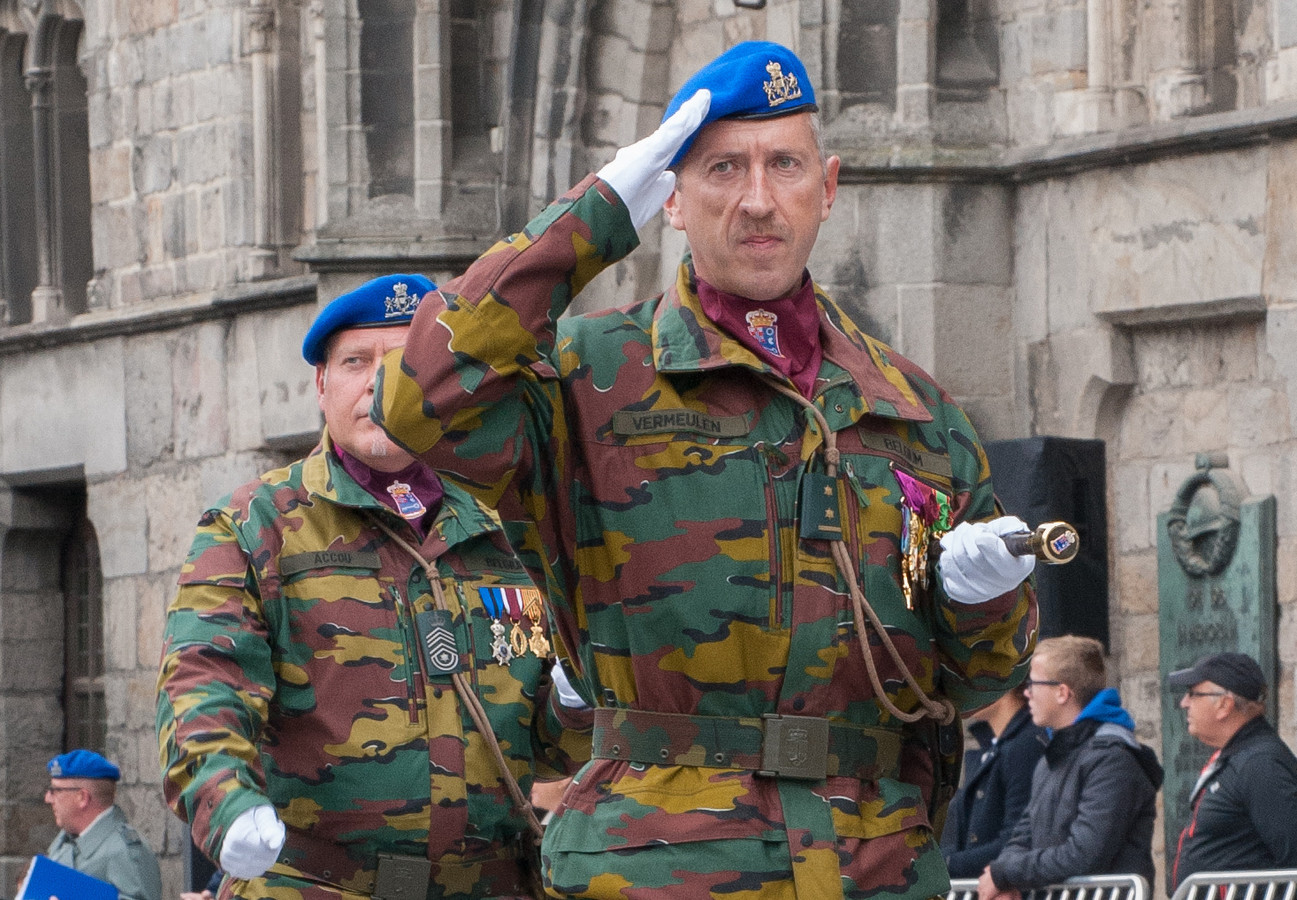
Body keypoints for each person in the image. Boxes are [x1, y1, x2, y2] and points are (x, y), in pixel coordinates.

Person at [373, 41, 1037, 900]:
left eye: (783, 165)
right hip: (656, 860)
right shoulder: (587, 377)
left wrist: (984, 603)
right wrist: (593, 217)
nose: (757, 200)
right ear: (673, 201)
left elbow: (981, 678)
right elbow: (416, 399)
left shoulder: (911, 407)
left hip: (871, 861)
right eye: (722, 168)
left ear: (826, 188)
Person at [156, 274, 593, 900]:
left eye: (405, 363)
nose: (378, 384)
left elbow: (543, 754)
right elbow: (201, 679)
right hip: (317, 885)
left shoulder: (509, 526)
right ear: (320, 384)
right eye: (356, 362)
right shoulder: (258, 527)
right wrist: (224, 800)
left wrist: (574, 700)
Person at [978, 636, 1162, 900]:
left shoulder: (1113, 759)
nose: (1026, 693)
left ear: (1062, 692)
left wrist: (1005, 873)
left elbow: (1084, 853)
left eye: (1033, 683)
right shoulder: (1050, 758)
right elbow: (1022, 836)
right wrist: (1006, 880)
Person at [1167, 651, 1297, 889]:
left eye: (1193, 694)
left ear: (1224, 705)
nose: (1184, 703)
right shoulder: (1241, 755)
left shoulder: (1260, 763)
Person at [941, 689, 1047, 878]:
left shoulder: (1025, 745)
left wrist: (947, 865)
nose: (968, 689)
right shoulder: (994, 747)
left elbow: (1016, 839)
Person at [42, 749, 162, 900]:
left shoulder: (125, 850)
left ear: (82, 798)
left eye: (55, 791)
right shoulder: (64, 843)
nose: (48, 799)